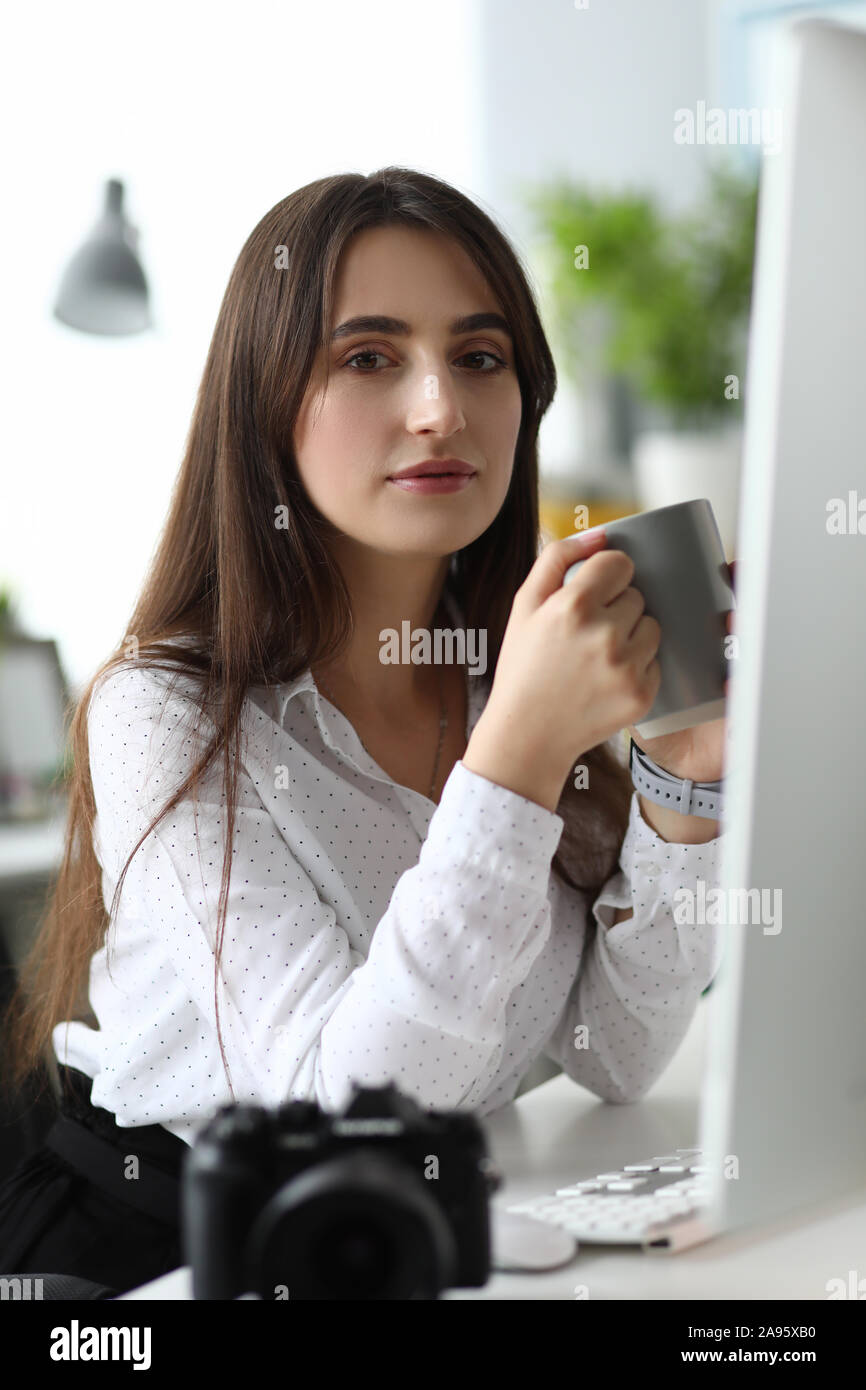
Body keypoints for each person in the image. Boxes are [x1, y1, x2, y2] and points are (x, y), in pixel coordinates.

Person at [0, 167, 731, 1296]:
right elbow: (342, 1116)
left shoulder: (514, 675)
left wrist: (679, 785)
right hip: (159, 1255)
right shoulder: (164, 708)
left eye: (480, 357)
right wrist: (515, 765)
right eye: (367, 357)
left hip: (426, 1236)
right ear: (265, 401)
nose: (438, 406)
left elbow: (616, 1056)